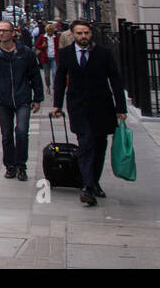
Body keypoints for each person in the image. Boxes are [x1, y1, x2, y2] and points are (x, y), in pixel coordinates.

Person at [52, 19, 126, 206]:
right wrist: (57, 105)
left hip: (102, 106)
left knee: (99, 148)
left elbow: (115, 80)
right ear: (72, 35)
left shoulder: (104, 54)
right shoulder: (66, 54)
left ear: (91, 34)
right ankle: (87, 187)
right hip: (78, 107)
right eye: (79, 33)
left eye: (86, 33)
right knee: (85, 145)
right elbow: (60, 80)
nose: (83, 37)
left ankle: (93, 182)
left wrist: (121, 108)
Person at [0, 20, 44, 181]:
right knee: (7, 135)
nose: (1, 33)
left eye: (5, 31)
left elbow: (35, 75)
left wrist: (37, 98)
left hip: (23, 98)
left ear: (13, 33)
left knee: (22, 133)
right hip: (3, 100)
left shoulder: (25, 53)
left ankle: (21, 166)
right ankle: (10, 166)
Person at [36, 22, 58, 92]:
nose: (50, 33)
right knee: (46, 74)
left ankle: (55, 87)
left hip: (54, 57)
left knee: (55, 72)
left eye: (51, 31)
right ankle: (48, 86)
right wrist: (42, 46)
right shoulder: (43, 37)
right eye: (48, 31)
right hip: (45, 58)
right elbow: (37, 45)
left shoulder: (56, 37)